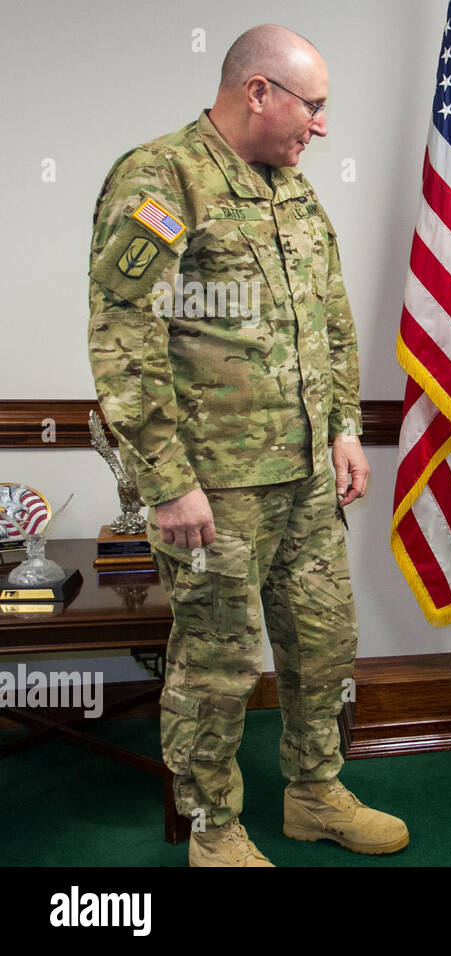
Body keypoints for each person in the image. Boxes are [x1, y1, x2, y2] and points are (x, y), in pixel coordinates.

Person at [87, 24, 407, 866]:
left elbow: (331, 319)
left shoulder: (292, 188)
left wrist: (343, 428)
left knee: (323, 644)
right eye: (315, 105)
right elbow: (125, 338)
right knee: (219, 665)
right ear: (258, 90)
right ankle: (214, 828)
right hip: (214, 487)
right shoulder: (161, 180)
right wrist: (166, 482)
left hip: (304, 476)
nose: (323, 125)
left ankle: (313, 793)